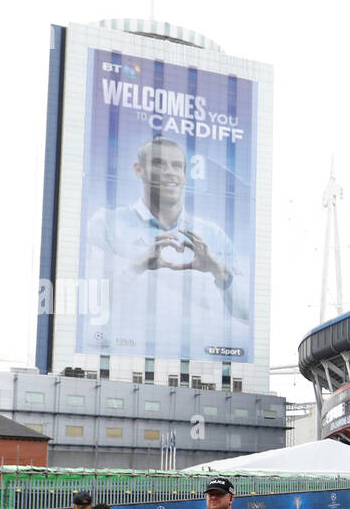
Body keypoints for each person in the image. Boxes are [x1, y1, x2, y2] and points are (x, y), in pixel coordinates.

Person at [83, 136, 249, 360]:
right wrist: (137, 267)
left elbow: (247, 314)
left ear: (185, 175)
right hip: (119, 356)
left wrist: (217, 270)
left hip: (200, 362)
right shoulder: (106, 225)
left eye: (177, 166)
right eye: (159, 164)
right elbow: (88, 302)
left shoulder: (213, 235)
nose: (170, 172)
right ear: (139, 169)